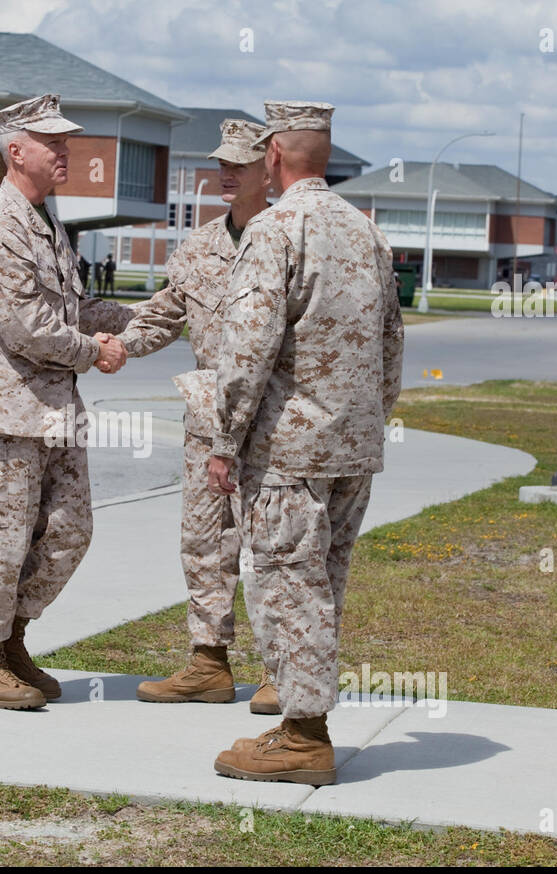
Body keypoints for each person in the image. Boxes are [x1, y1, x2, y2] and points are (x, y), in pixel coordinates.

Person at [207, 102, 404, 785]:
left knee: (289, 589)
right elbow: (390, 347)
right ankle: (303, 719)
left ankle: (302, 738)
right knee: (324, 586)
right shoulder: (366, 233)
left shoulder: (274, 230)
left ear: (273, 159)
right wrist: (370, 422)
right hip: (352, 448)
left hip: (288, 453)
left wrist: (223, 439)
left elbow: (246, 351)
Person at [0, 94, 132, 710]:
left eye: (66, 141)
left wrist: (146, 317)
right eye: (52, 142)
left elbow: (69, 312)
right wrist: (95, 351)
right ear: (15, 149)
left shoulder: (48, 223)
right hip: (5, 412)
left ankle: (11, 641)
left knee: (68, 530)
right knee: (3, 537)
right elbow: (25, 326)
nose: (65, 152)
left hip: (52, 413)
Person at [112, 119, 281, 713]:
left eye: (239, 163)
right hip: (209, 419)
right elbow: (163, 314)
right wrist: (113, 348)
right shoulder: (199, 246)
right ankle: (208, 662)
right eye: (221, 163)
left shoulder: (287, 238)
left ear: (271, 166)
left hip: (273, 422)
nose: (225, 173)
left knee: (273, 545)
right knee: (205, 541)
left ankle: (279, 670)